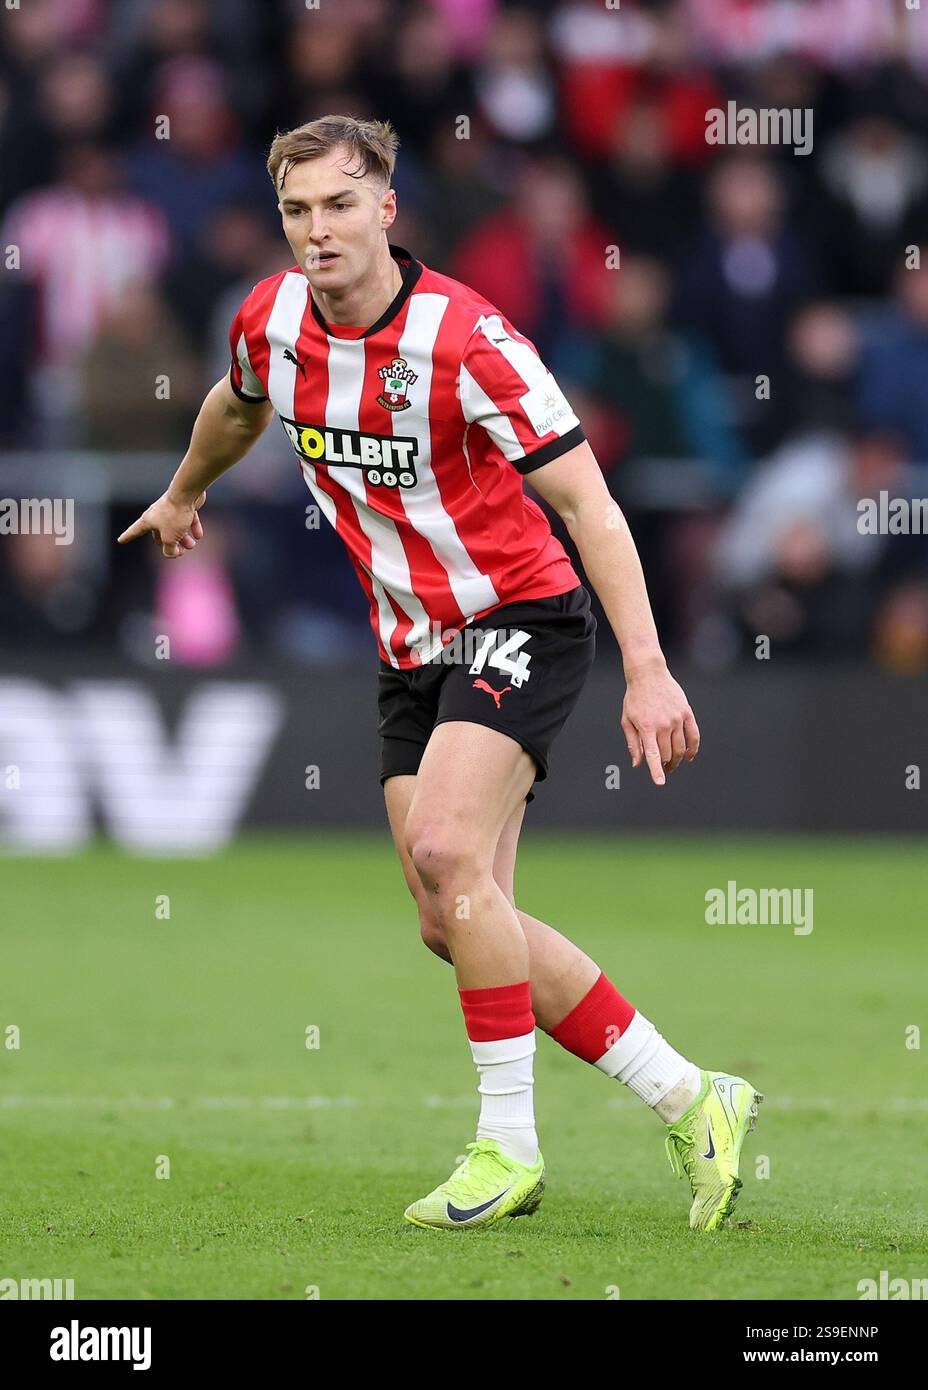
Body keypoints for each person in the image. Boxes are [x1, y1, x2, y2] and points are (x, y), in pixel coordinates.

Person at [118, 114, 761, 1233]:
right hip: (408, 643)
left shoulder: (469, 342)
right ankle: (693, 1096)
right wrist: (185, 490)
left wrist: (648, 669)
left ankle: (505, 1146)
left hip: (519, 617)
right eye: (297, 210)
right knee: (455, 913)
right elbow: (235, 406)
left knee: (443, 851)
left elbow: (589, 507)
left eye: (337, 204)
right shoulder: (270, 321)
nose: (317, 230)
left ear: (386, 211)